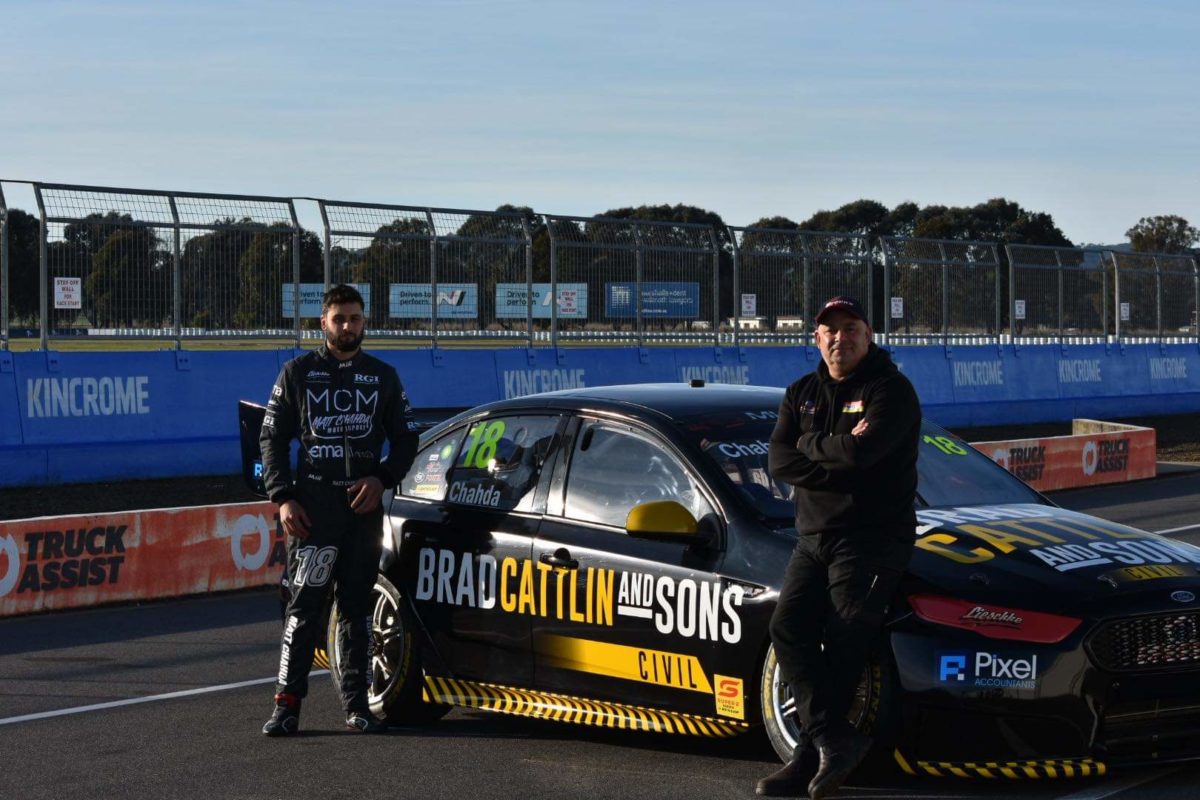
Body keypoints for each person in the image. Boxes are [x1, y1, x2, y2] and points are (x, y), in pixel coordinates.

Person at [758, 296, 921, 799]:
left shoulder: (890, 390)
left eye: (851, 329)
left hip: (872, 537)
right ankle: (830, 741)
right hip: (813, 537)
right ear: (816, 338)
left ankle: (811, 755)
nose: (840, 338)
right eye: (830, 330)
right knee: (787, 628)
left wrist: (811, 444)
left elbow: (863, 453)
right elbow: (778, 461)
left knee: (846, 638)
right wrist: (835, 453)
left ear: (868, 335)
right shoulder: (801, 392)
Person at [259, 284, 419, 736]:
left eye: (355, 318)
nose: (347, 326)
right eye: (339, 319)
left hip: (362, 512)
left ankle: (357, 706)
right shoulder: (297, 373)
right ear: (323, 323)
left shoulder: (383, 376)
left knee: (356, 609)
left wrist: (382, 478)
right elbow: (271, 438)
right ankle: (286, 707)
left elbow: (407, 437)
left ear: (364, 321)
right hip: (313, 511)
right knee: (304, 609)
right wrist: (283, 497)